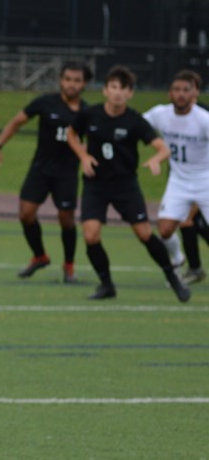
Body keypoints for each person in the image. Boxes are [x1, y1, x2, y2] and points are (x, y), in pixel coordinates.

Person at [65, 65, 189, 303]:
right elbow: (71, 134)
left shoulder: (135, 121)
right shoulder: (90, 114)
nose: (118, 93)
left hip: (125, 185)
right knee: (90, 236)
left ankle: (173, 278)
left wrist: (156, 159)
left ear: (130, 93)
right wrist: (83, 156)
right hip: (95, 184)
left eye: (123, 88)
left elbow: (162, 148)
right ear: (105, 90)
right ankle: (106, 284)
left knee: (144, 233)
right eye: (113, 87)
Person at [0, 61, 88, 282]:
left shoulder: (87, 112)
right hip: (41, 169)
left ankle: (69, 266)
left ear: (84, 84)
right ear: (61, 80)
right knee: (25, 214)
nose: (71, 84)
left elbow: (94, 140)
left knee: (66, 219)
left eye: (77, 81)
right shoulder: (45, 103)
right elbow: (16, 122)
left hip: (67, 173)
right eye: (68, 79)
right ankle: (40, 256)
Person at [143, 69, 209, 284]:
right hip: (178, 181)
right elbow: (137, 126)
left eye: (185, 90)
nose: (181, 94)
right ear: (170, 93)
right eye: (176, 90)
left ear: (194, 93)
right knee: (164, 229)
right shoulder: (160, 114)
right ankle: (179, 259)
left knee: (192, 224)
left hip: (205, 180)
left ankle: (194, 268)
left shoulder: (203, 119)